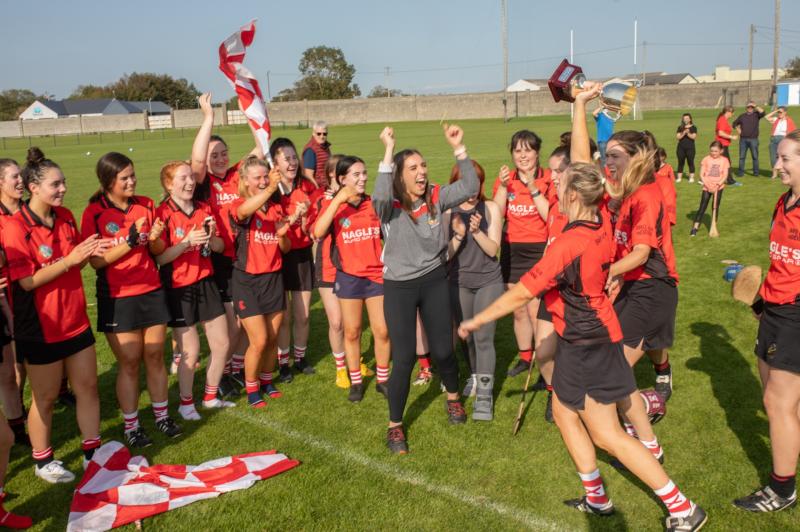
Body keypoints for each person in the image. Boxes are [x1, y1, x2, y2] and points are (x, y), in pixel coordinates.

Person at [457, 159, 707, 531]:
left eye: (561, 182)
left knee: (607, 434)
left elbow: (523, 293)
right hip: (577, 338)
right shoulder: (600, 219)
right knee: (563, 412)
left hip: (591, 341)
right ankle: (597, 497)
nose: (554, 184)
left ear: (573, 194)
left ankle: (682, 506)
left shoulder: (570, 243)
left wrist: (477, 319)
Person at [373, 124, 477, 454]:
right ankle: (395, 426)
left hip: (433, 278)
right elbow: (378, 197)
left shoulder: (435, 195)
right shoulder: (390, 204)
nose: (421, 172)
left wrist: (459, 148)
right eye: (413, 168)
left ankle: (453, 398)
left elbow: (471, 184)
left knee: (444, 349)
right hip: (399, 286)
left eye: (423, 166)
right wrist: (389, 150)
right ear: (400, 176)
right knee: (403, 358)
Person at [6, 149, 104, 484]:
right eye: (55, 184)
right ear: (33, 187)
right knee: (45, 398)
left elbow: (76, 255)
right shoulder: (16, 227)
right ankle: (43, 459)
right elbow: (27, 281)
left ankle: (93, 453)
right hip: (41, 326)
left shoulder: (65, 217)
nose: (62, 189)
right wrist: (71, 260)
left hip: (75, 319)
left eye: (63, 182)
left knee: (88, 387)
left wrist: (92, 250)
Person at [82, 152, 181, 447]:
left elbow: (156, 250)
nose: (132, 181)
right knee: (129, 362)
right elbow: (96, 263)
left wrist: (155, 238)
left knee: (154, 356)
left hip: (151, 290)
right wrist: (128, 241)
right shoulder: (94, 213)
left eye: (133, 175)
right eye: (124, 178)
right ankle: (132, 426)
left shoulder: (146, 204)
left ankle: (162, 417)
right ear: (108, 181)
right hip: (118, 297)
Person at [734, 129, 800, 513]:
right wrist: (759, 301)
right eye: (778, 158)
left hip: (795, 314)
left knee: (778, 403)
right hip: (773, 310)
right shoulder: (784, 201)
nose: (776, 166)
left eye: (785, 159)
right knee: (778, 401)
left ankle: (782, 490)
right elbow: (782, 260)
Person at [190, 92, 263, 398]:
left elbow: (261, 146)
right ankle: (221, 374)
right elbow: (195, 161)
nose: (219, 158)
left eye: (223, 153)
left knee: (242, 324)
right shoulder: (203, 182)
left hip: (244, 256)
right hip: (218, 261)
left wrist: (254, 108)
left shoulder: (236, 175)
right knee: (230, 326)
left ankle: (230, 370)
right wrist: (208, 119)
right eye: (213, 155)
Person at [605, 130, 679, 408]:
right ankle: (635, 425)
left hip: (652, 287)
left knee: (613, 370)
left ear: (636, 158)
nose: (608, 161)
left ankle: (639, 428)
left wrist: (607, 271)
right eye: (606, 154)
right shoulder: (629, 192)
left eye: (615, 155)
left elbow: (641, 253)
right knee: (616, 353)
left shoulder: (645, 196)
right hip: (632, 283)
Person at [154, 161, 233, 420]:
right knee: (191, 350)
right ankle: (186, 404)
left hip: (206, 282)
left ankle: (210, 397)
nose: (190, 182)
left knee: (222, 343)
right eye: (183, 178)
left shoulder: (203, 208)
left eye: (191, 177)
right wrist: (187, 243)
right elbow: (159, 259)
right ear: (169, 184)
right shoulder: (162, 213)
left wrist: (210, 238)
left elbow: (221, 247)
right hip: (179, 288)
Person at [312, 156, 391, 402]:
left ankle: (383, 379)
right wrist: (337, 200)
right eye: (356, 174)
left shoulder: (373, 204)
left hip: (376, 276)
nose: (363, 178)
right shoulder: (333, 206)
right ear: (342, 179)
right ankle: (356, 380)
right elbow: (317, 232)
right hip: (348, 278)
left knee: (382, 330)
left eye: (364, 173)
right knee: (352, 331)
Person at [229, 157, 291, 408]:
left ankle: (267, 380)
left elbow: (284, 248)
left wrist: (283, 235)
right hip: (247, 280)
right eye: (258, 177)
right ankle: (252, 386)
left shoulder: (275, 207)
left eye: (266, 176)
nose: (264, 181)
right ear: (245, 181)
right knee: (260, 340)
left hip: (274, 277)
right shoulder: (239, 205)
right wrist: (268, 190)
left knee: (273, 338)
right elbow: (244, 213)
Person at [446, 160, 503, 420]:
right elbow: (443, 256)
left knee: (483, 337)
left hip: (488, 281)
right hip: (458, 282)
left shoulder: (490, 207)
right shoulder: (448, 211)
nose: (472, 188)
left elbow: (493, 250)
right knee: (467, 337)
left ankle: (484, 396)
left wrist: (477, 231)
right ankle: (474, 376)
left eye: (477, 181)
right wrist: (458, 235)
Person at [492, 130, 551, 378]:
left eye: (528, 149)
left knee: (536, 310)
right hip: (512, 249)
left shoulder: (548, 178)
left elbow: (551, 216)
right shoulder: (507, 180)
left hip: (539, 249)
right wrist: (504, 187)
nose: (523, 155)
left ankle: (545, 362)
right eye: (518, 150)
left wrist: (532, 187)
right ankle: (525, 358)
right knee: (518, 309)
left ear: (537, 153)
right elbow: (496, 213)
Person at [271, 138, 318, 382]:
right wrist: (293, 217)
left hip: (301, 255)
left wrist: (304, 220)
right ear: (275, 163)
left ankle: (300, 357)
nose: (291, 163)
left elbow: (314, 222)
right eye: (285, 158)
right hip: (278, 256)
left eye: (293, 157)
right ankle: (282, 362)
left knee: (303, 314)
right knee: (284, 316)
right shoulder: (270, 192)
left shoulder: (306, 188)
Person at [306, 155, 348, 388]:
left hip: (351, 266)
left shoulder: (353, 197)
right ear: (332, 174)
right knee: (337, 322)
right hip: (328, 268)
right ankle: (340, 368)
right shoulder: (321, 199)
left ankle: (353, 362)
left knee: (351, 323)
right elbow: (315, 231)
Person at [0, 159, 28, 446]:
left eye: (21, 176)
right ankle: (16, 426)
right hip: (5, 301)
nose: (21, 181)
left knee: (27, 364)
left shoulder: (29, 212)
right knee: (10, 371)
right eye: (14, 177)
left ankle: (18, 413)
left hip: (34, 296)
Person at [690, 141, 730, 237]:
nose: (713, 153)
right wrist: (707, 185)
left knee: (715, 207)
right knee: (702, 207)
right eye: (712, 151)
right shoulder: (706, 159)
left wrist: (718, 184)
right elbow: (701, 174)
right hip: (707, 186)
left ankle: (713, 226)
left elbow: (725, 175)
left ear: (721, 151)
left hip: (718, 187)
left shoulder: (725, 160)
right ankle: (695, 227)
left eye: (716, 151)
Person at [733, 101, 766, 177]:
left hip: (753, 139)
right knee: (742, 157)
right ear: (746, 108)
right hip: (743, 140)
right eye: (748, 107)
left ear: (753, 108)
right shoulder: (742, 116)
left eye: (751, 107)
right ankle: (741, 173)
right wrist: (737, 128)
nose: (750, 108)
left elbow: (763, 112)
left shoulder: (756, 115)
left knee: (755, 157)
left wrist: (755, 105)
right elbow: (734, 123)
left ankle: (756, 173)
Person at [766, 107, 796, 179]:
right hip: (774, 140)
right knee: (773, 158)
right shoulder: (776, 119)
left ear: (785, 112)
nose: (779, 114)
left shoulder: (789, 121)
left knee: (783, 158)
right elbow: (766, 117)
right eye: (778, 112)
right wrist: (776, 110)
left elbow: (793, 132)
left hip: (783, 139)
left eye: (781, 112)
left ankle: (786, 173)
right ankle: (774, 174)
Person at [302, 121, 332, 188]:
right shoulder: (310, 150)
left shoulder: (325, 147)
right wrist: (317, 190)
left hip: (326, 187)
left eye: (324, 134)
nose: (322, 136)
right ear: (313, 134)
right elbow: (308, 175)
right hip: (318, 190)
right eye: (319, 134)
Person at [715, 105, 740, 186]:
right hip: (721, 145)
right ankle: (730, 181)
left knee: (721, 163)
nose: (732, 115)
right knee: (726, 163)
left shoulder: (724, 120)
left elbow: (725, 130)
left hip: (723, 144)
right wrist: (731, 137)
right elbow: (720, 133)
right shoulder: (722, 120)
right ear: (728, 112)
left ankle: (726, 180)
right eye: (732, 113)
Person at [655, 147, 677, 227]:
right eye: (658, 156)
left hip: (666, 193)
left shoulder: (668, 167)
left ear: (664, 156)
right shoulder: (654, 167)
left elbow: (672, 180)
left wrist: (674, 192)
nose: (660, 158)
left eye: (661, 156)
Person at [675, 113, 697, 183]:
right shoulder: (680, 127)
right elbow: (678, 137)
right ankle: (679, 178)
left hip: (690, 148)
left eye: (687, 118)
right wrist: (684, 133)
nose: (686, 120)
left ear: (690, 119)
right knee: (680, 162)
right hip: (681, 148)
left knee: (690, 162)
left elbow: (693, 137)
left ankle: (691, 178)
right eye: (684, 118)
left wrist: (688, 133)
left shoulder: (694, 127)